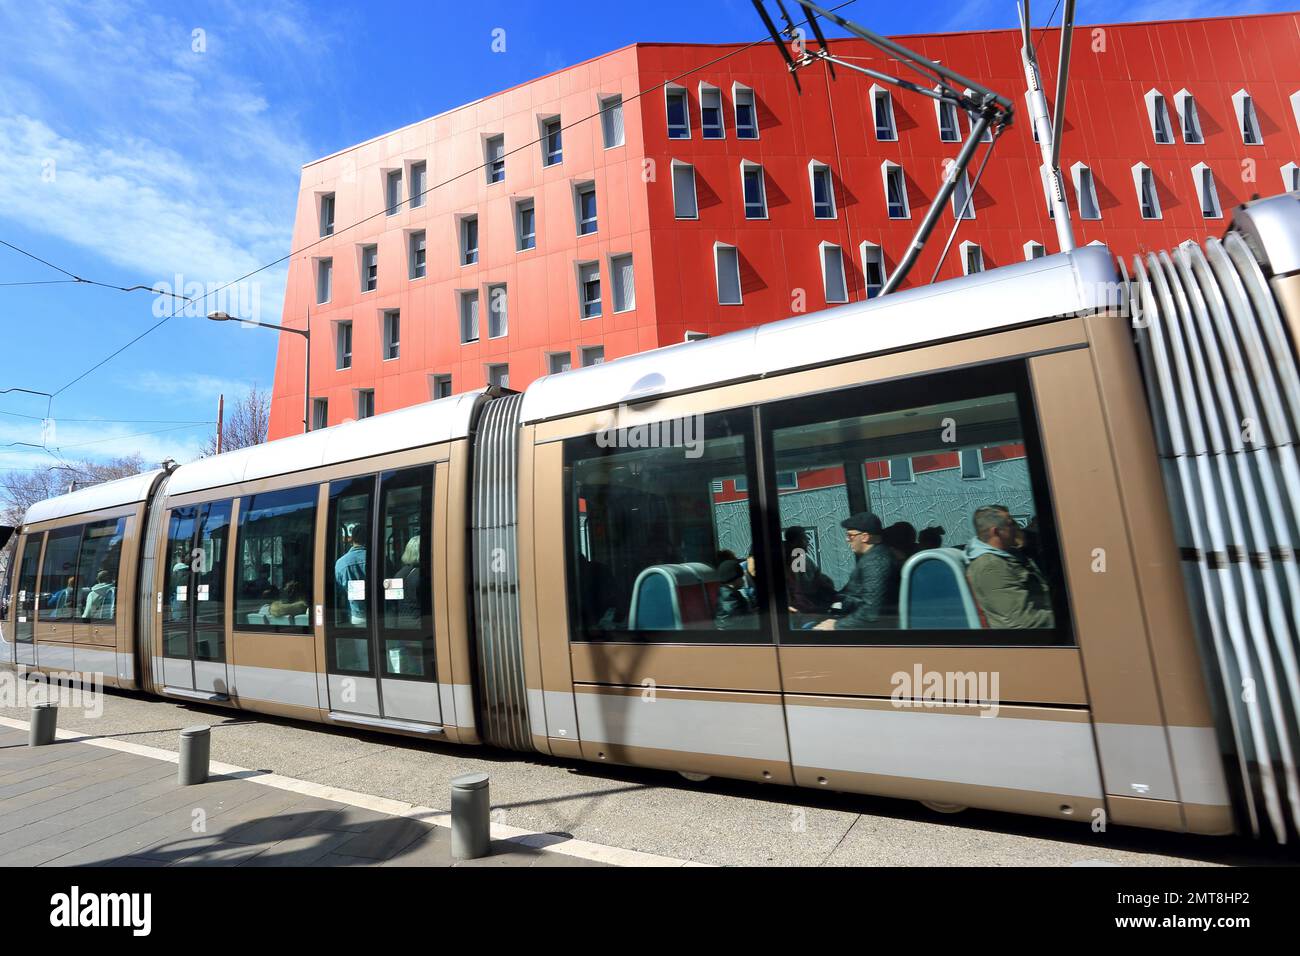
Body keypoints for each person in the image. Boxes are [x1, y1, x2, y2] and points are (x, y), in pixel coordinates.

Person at [964, 505, 1055, 628]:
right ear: (996, 532)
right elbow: (1020, 621)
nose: (1017, 528)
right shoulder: (990, 567)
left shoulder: (1008, 554)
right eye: (1011, 524)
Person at [815, 513, 898, 631]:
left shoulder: (875, 562)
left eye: (850, 536)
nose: (847, 539)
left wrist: (836, 625)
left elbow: (870, 612)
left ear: (865, 537)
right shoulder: (872, 557)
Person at [782, 527, 838, 614]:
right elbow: (803, 587)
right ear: (795, 542)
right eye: (804, 539)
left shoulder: (800, 557)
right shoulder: (794, 558)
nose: (808, 542)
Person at [334, 522, 368, 624]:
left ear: (352, 539)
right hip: (383, 615)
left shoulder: (341, 563)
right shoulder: (381, 558)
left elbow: (338, 590)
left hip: (357, 616)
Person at [714, 558, 758, 631]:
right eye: (741, 577)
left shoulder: (730, 593)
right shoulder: (728, 597)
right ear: (734, 579)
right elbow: (738, 618)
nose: (743, 580)